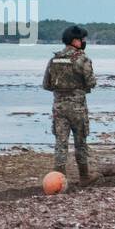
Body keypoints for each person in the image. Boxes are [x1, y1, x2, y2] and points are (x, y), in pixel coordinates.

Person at [41, 24, 99, 184]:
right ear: (75, 41)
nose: (84, 42)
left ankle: (58, 180)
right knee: (80, 143)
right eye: (82, 39)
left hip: (59, 108)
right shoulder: (82, 59)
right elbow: (91, 82)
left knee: (60, 144)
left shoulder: (54, 59)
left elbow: (46, 84)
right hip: (78, 108)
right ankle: (85, 177)